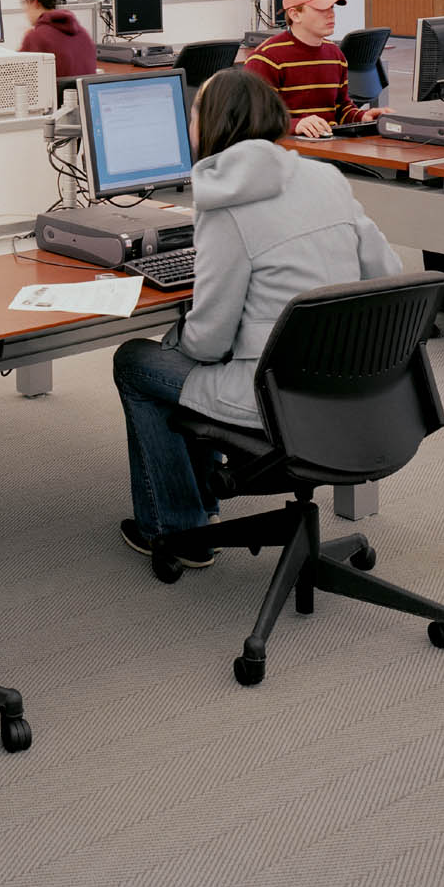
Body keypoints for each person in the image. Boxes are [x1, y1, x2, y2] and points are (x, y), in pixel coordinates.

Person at [112, 70, 402, 554]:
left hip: (277, 394)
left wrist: (181, 338)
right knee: (173, 348)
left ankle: (176, 528)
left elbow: (209, 342)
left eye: (193, 115)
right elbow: (387, 273)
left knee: (137, 360)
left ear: (211, 126)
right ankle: (201, 495)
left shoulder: (224, 202)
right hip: (357, 386)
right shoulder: (324, 176)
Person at [246, 0, 444, 322]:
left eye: (333, 7)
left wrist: (366, 114)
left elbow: (342, 110)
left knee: (428, 189)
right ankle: (388, 302)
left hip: (331, 153)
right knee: (402, 193)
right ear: (296, 13)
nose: (331, 14)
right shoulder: (267, 58)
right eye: (322, 8)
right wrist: (294, 123)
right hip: (294, 162)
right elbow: (253, 117)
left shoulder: (335, 55)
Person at [18, 0, 95, 79]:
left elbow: (16, 78)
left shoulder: (36, 38)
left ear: (34, 2)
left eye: (25, 3)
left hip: (55, 96)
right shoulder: (83, 33)